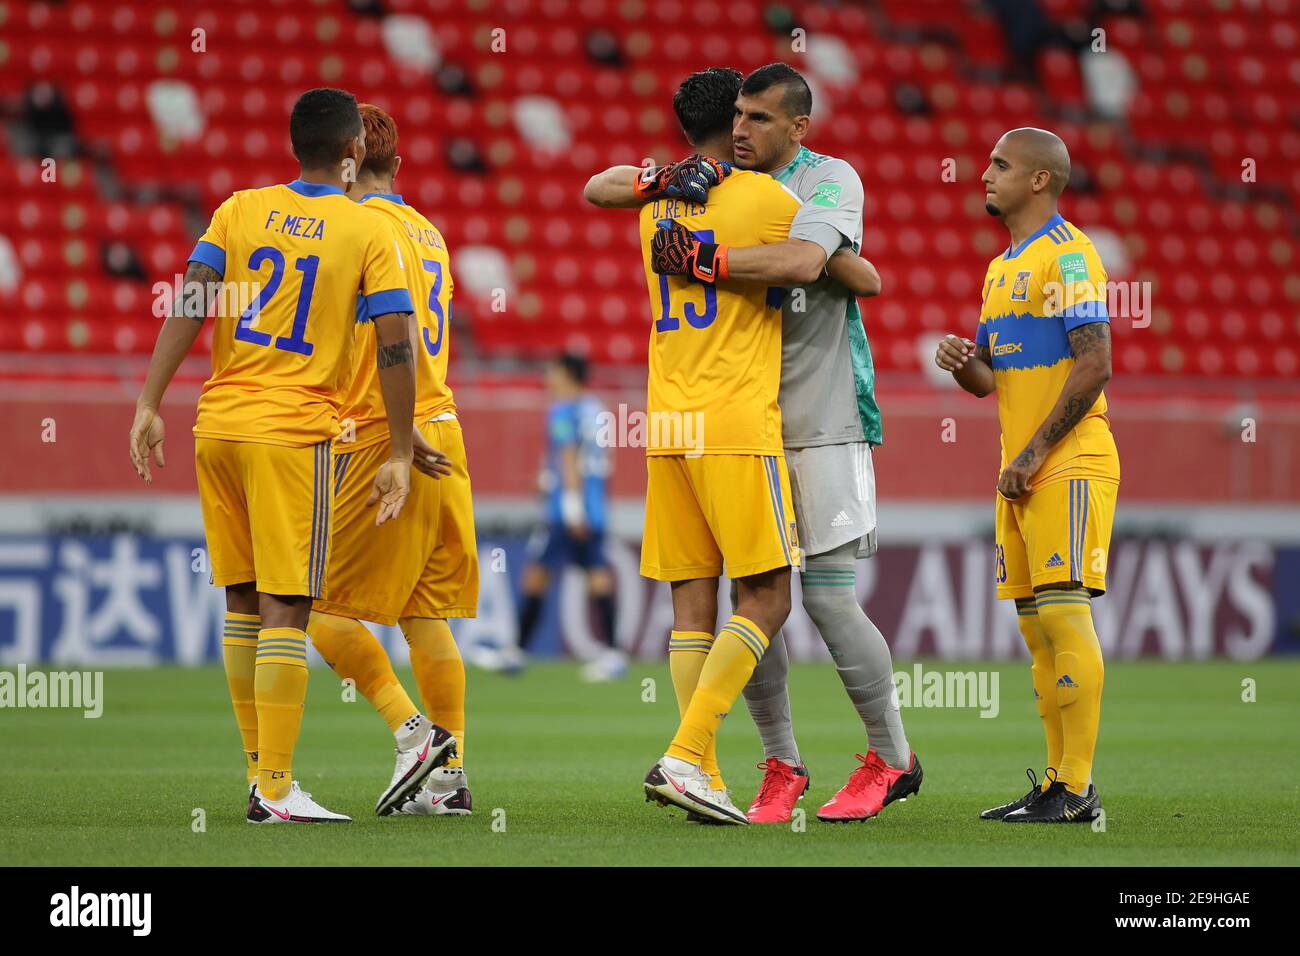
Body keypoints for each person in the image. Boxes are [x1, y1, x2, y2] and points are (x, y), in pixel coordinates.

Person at [585, 63, 919, 824]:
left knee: (827, 603)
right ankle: (777, 764)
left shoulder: (826, 181)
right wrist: (670, 178)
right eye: (737, 115)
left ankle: (892, 756)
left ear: (796, 128)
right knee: (755, 598)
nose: (743, 130)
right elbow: (604, 186)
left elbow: (840, 271)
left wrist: (706, 257)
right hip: (746, 423)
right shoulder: (708, 183)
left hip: (819, 416)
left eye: (760, 119)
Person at [128, 87, 418, 824]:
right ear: (354, 152)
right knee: (288, 606)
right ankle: (278, 788)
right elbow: (393, 342)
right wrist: (401, 445)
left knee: (242, 600)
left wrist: (149, 401)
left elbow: (191, 302)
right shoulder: (366, 229)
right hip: (291, 434)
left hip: (217, 425)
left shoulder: (239, 208)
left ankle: (259, 775)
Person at [935, 127, 1116, 824]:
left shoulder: (1069, 256)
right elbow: (988, 381)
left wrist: (1035, 453)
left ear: (1039, 180)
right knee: (1038, 631)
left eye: (1000, 165)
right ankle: (1055, 785)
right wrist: (963, 363)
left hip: (1065, 461)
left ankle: (1077, 787)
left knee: (1065, 616)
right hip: (1021, 468)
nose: (985, 174)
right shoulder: (1001, 267)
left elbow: (1095, 362)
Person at [306, 103, 479, 817]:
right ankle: (451, 780)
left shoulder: (354, 229)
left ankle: (415, 735)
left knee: (319, 608)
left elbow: (382, 337)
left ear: (346, 164)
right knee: (423, 610)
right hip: (445, 424)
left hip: (389, 432)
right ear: (396, 162)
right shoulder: (428, 232)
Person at [512, 353, 624, 682]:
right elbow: (601, 462)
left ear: (567, 375)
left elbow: (569, 456)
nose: (549, 377)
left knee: (536, 574)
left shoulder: (562, 410)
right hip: (596, 507)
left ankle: (516, 651)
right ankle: (614, 654)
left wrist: (571, 505)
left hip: (567, 513)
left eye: (553, 371)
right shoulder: (597, 410)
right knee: (597, 576)